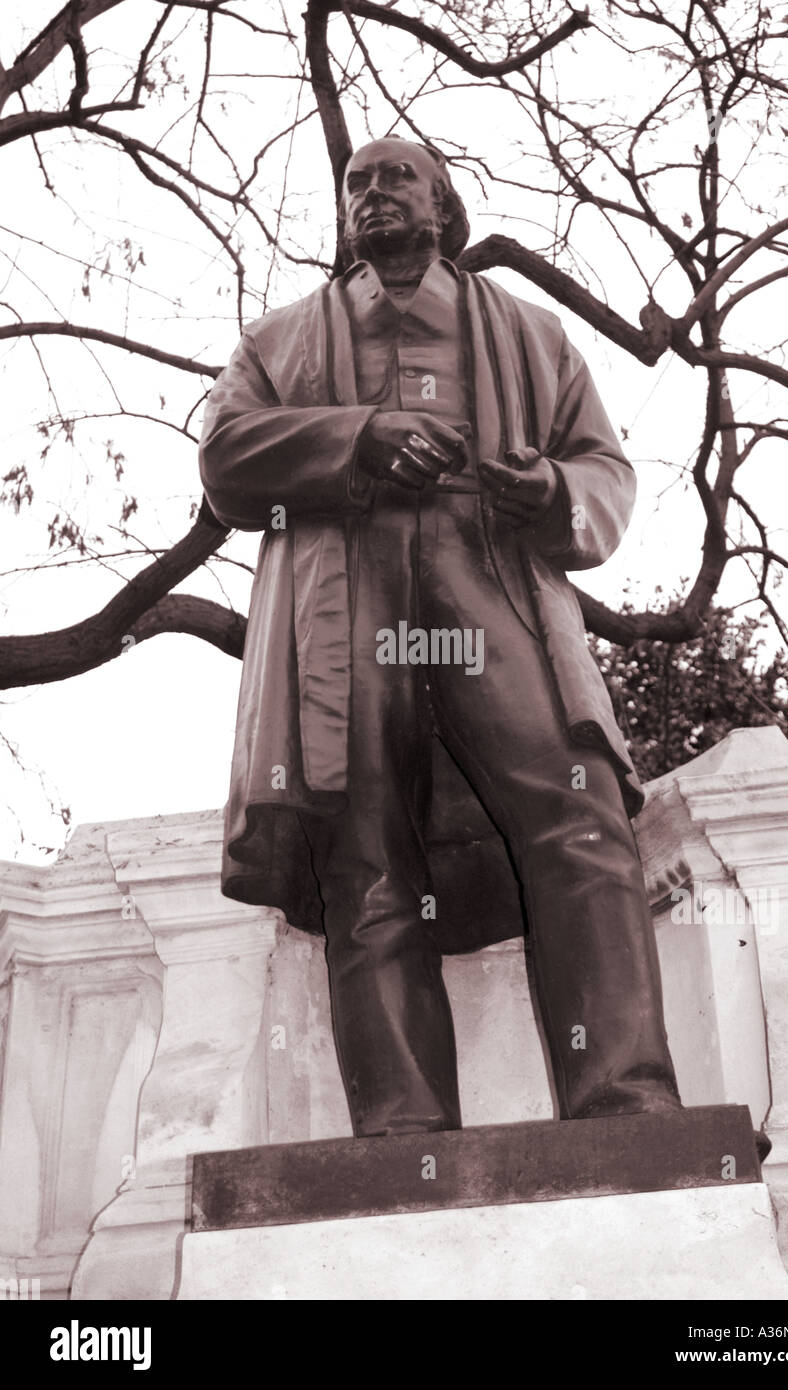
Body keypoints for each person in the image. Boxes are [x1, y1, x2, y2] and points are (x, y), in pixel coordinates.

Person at [199, 137, 681, 1138]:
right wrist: (355, 435)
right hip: (343, 592)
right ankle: (401, 1131)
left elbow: (601, 472)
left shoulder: (530, 334)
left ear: (446, 203)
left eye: (396, 177)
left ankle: (625, 1100)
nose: (373, 193)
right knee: (362, 850)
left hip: (489, 573)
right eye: (357, 182)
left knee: (578, 814)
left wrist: (548, 490)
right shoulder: (281, 340)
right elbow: (226, 456)